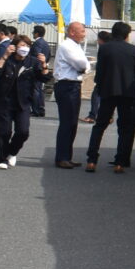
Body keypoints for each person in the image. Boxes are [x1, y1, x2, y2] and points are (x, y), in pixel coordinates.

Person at [85, 22, 135, 174]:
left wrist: (100, 87)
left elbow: (100, 71)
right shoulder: (133, 50)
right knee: (124, 128)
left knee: (99, 126)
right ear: (126, 35)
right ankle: (120, 162)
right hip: (127, 93)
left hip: (108, 91)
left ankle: (92, 160)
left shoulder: (105, 48)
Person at [0, 32, 37, 169]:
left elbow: (43, 77)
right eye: (22, 45)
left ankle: (12, 152)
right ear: (14, 46)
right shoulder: (7, 60)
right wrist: (5, 55)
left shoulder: (32, 62)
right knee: (4, 131)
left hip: (24, 102)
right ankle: (1, 158)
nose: (25, 48)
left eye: (27, 45)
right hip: (5, 101)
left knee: (23, 131)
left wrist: (44, 65)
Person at [51, 21, 92, 169]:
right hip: (67, 85)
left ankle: (67, 156)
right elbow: (82, 65)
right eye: (81, 31)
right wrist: (84, 67)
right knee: (67, 123)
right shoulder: (67, 46)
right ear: (72, 32)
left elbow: (85, 64)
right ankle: (62, 157)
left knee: (72, 123)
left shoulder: (76, 46)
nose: (84, 33)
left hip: (73, 85)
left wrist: (85, 67)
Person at [29, 26, 52, 117]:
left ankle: (36, 110)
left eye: (33, 32)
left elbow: (37, 55)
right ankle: (41, 109)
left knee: (35, 90)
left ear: (36, 33)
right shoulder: (45, 43)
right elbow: (49, 55)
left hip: (36, 69)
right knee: (40, 89)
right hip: (42, 67)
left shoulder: (37, 43)